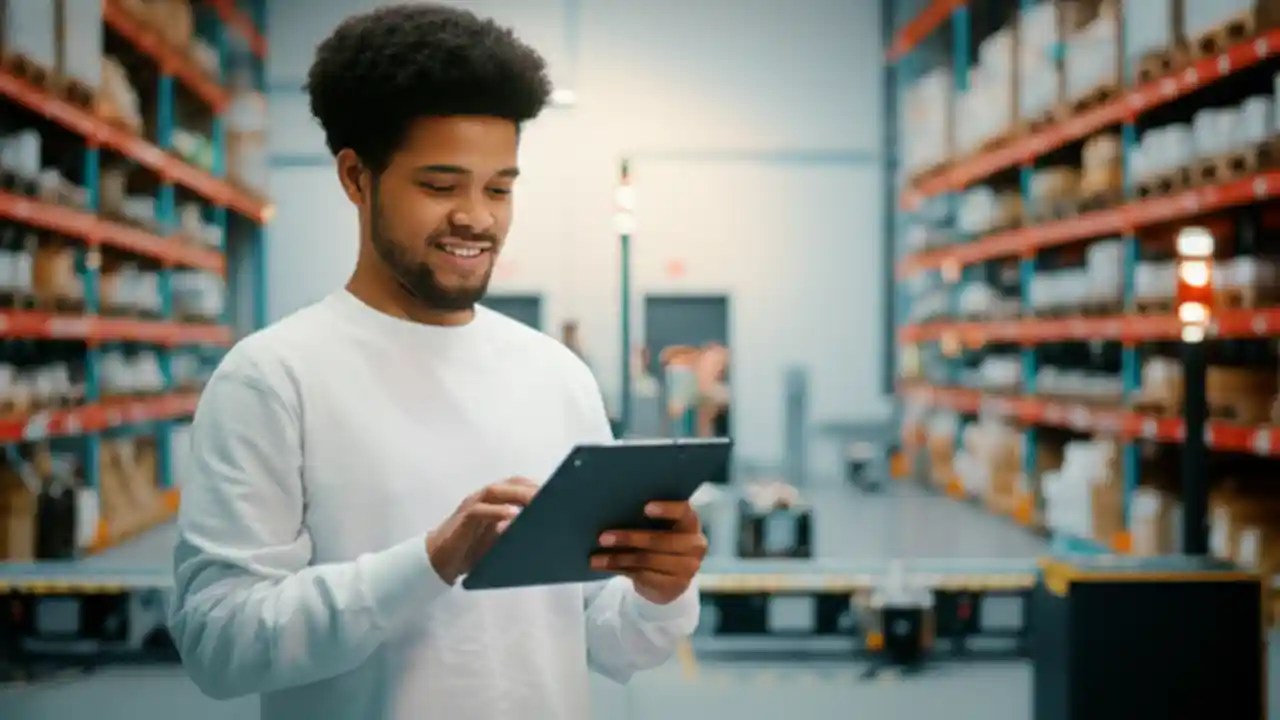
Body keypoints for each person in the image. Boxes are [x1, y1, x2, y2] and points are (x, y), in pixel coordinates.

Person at [166, 5, 705, 719]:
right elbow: (218, 644)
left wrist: (657, 592)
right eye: (440, 186)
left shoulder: (556, 376)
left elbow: (603, 641)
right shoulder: (273, 378)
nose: (477, 218)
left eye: (499, 188)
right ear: (357, 178)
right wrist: (428, 562)